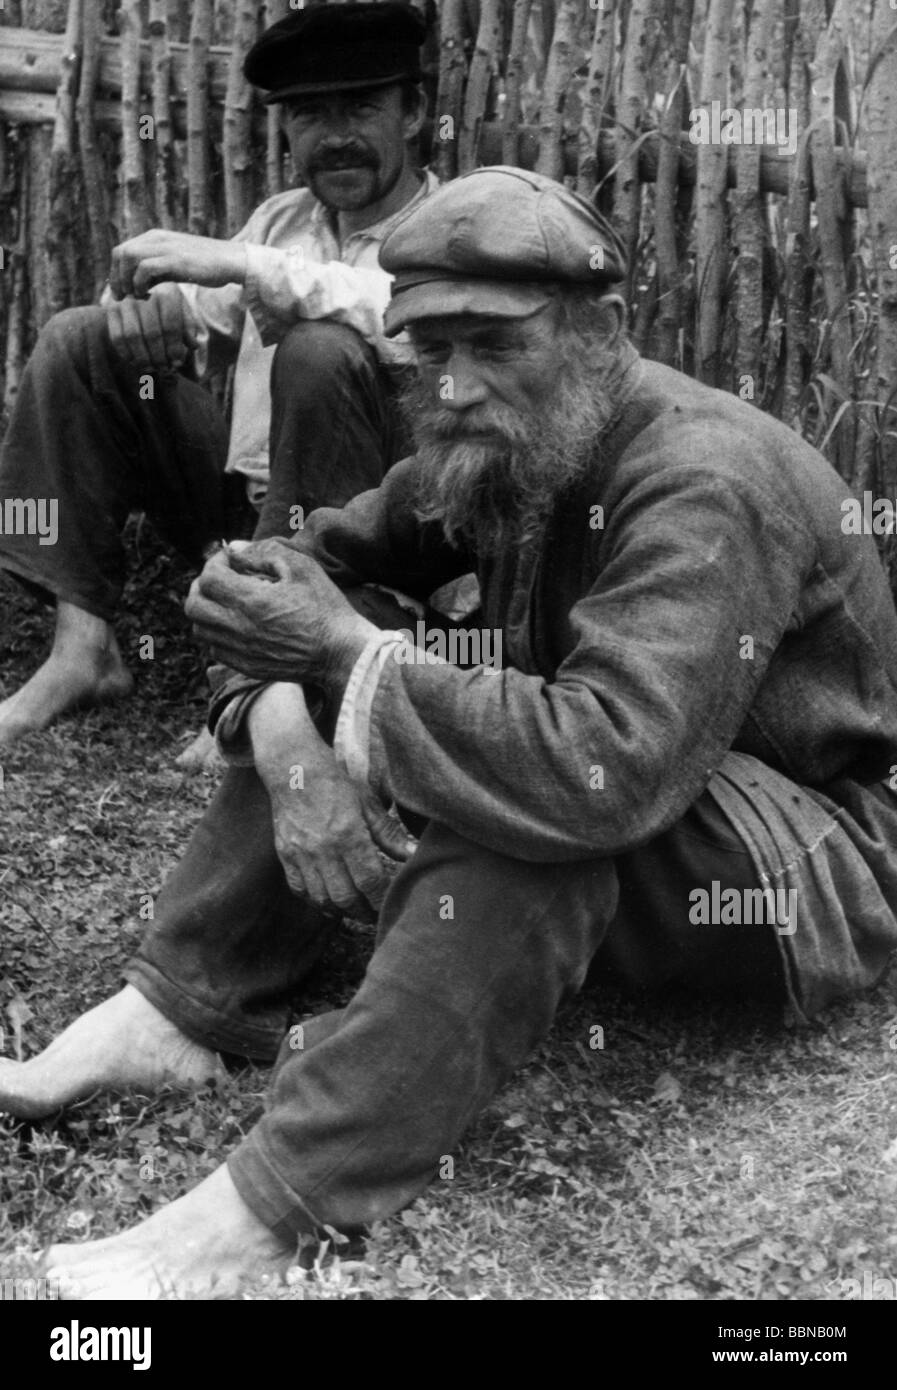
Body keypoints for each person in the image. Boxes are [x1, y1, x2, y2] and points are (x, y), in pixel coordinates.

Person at [3, 166, 897, 1300]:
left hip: (809, 852)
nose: (457, 384)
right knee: (348, 649)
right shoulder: (499, 442)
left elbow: (601, 768)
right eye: (430, 346)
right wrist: (294, 748)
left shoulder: (703, 476)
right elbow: (263, 583)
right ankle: (178, 1006)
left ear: (599, 330)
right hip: (652, 786)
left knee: (525, 788)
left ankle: (272, 1205)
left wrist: (342, 657)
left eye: (491, 341)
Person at [0, 2, 434, 763]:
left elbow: (395, 316)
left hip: (387, 522)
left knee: (320, 349)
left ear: (415, 113)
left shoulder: (450, 221)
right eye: (307, 114)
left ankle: (269, 680)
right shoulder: (281, 221)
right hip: (253, 500)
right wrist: (145, 309)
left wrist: (243, 265)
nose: (334, 137)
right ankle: (83, 652)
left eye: (361, 108)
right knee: (81, 338)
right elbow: (189, 313)